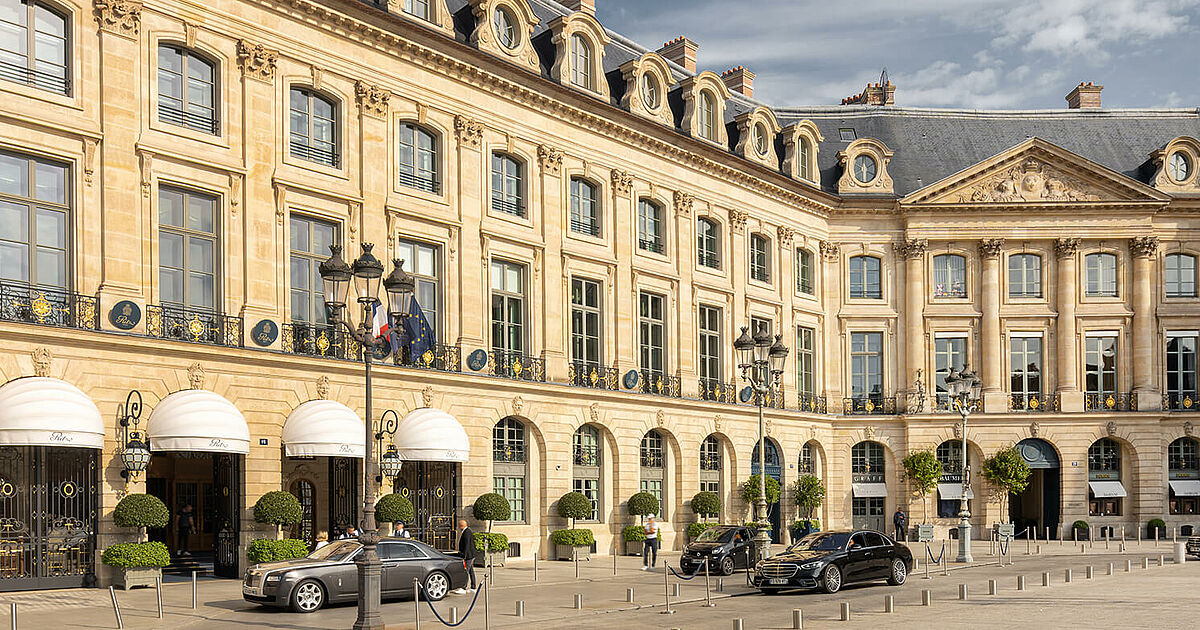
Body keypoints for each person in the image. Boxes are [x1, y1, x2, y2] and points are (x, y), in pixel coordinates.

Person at [453, 520, 478, 594]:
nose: (458, 527)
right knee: (471, 571)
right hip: (470, 555)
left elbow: (467, 545)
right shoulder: (467, 531)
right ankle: (473, 587)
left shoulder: (467, 532)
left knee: (465, 571)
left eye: (459, 525)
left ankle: (463, 587)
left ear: (461, 526)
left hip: (468, 556)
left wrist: (464, 555)